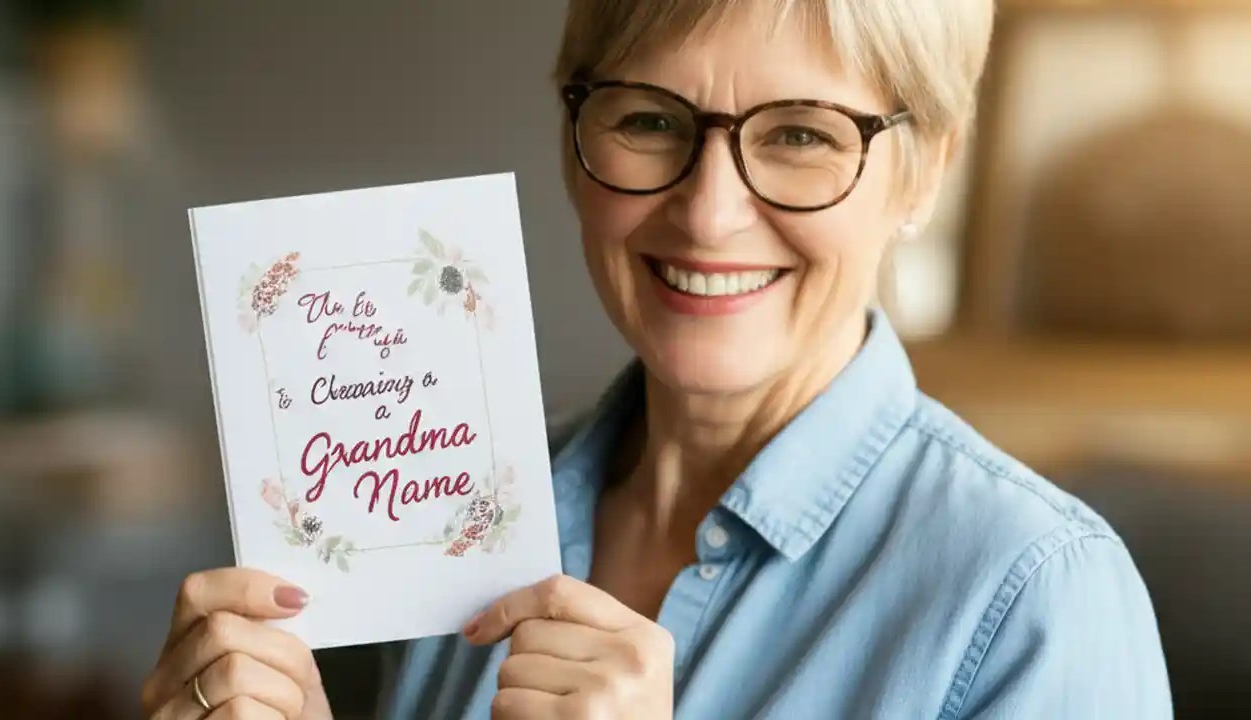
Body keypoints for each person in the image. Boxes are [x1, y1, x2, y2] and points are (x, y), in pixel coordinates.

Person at [141, 0, 1174, 717]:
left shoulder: (1036, 599)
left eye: (801, 136)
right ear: (570, 137)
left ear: (923, 173)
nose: (708, 213)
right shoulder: (447, 516)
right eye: (648, 119)